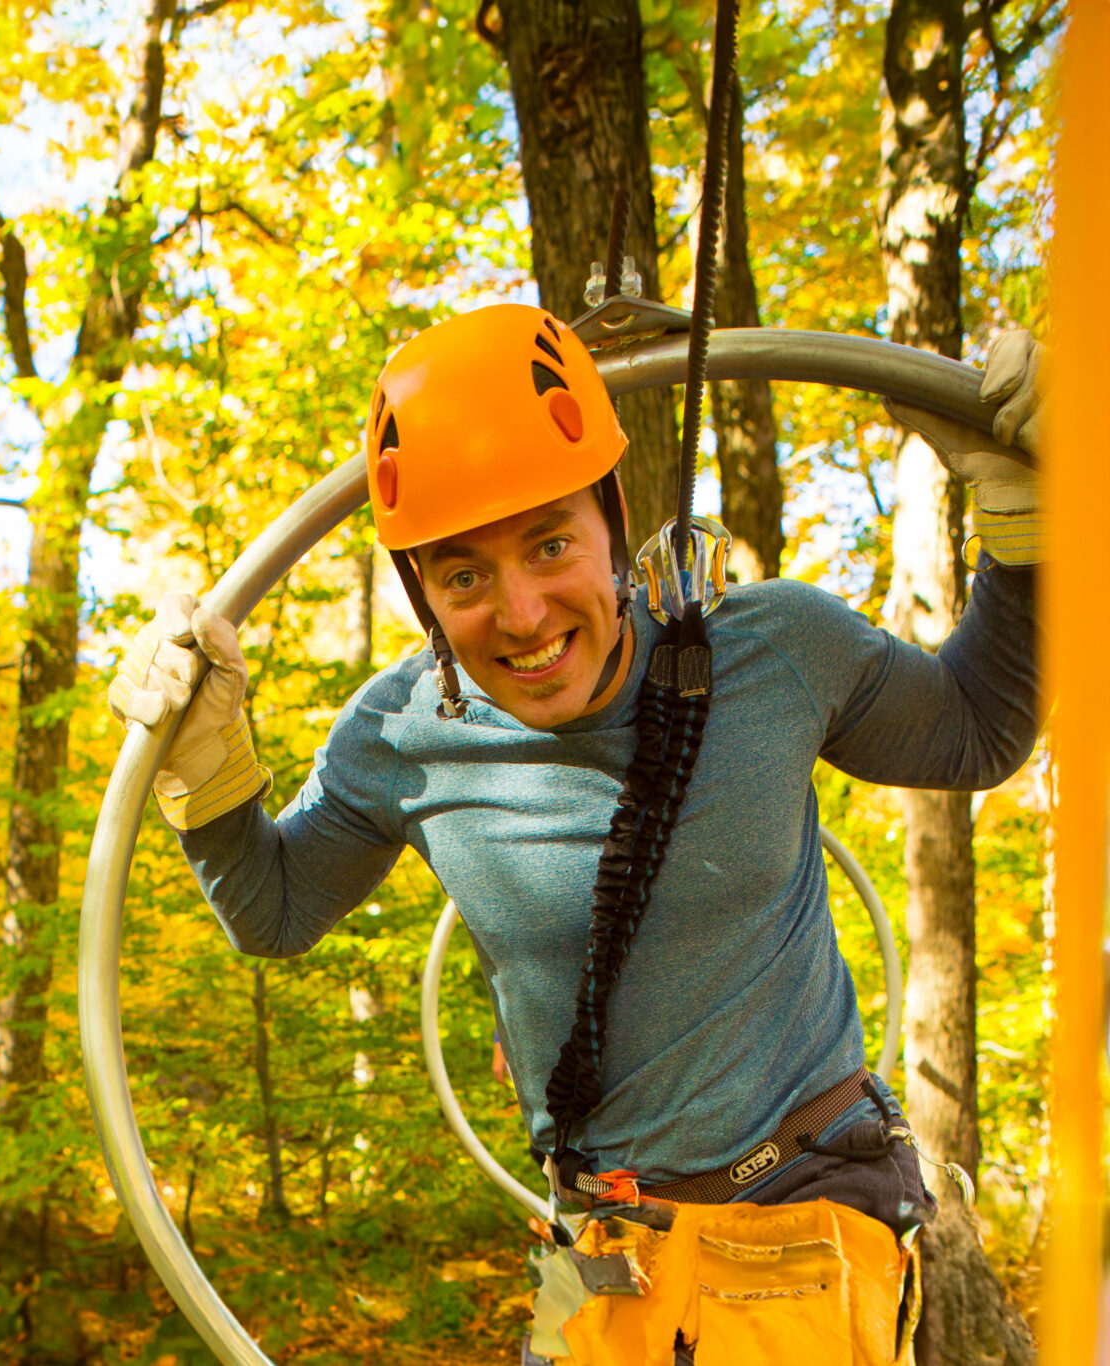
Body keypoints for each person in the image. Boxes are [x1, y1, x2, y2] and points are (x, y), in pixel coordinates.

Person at [109, 304, 1043, 1363]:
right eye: (461, 574)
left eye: (548, 543)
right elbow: (272, 910)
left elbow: (976, 729)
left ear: (613, 519)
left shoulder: (770, 650)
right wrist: (206, 762)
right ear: (419, 590)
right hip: (597, 1235)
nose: (519, 612)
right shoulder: (404, 729)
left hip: (802, 1196)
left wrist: (1022, 520)